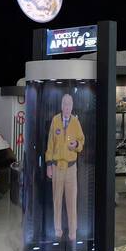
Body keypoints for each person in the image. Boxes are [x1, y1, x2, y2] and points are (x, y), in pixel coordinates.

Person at [45, 92, 85, 242]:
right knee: (57, 199)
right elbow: (50, 144)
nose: (67, 107)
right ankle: (57, 229)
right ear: (61, 106)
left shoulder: (75, 122)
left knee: (71, 200)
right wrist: (49, 164)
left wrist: (77, 145)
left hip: (71, 168)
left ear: (72, 106)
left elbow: (81, 141)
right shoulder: (55, 120)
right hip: (56, 167)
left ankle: (72, 231)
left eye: (69, 104)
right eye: (65, 104)